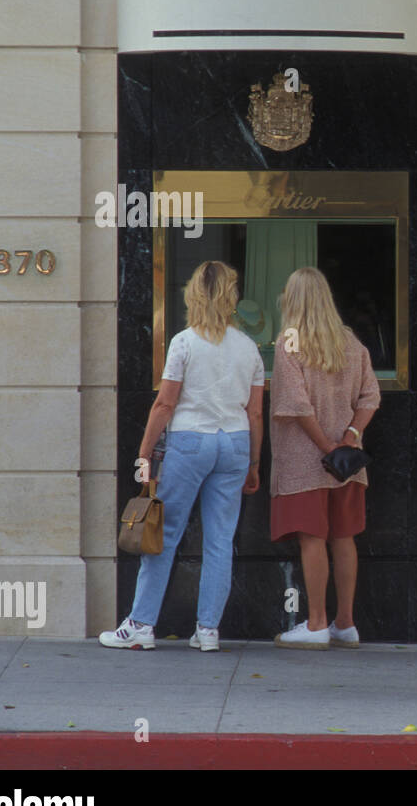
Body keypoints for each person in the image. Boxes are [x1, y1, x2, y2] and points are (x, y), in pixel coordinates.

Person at [101, 261, 264, 651]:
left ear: (193, 295)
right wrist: (255, 462)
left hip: (190, 441)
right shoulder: (250, 348)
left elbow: (165, 404)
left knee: (164, 534)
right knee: (221, 541)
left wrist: (144, 453)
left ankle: (141, 625)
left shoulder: (184, 342)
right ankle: (208, 631)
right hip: (236, 443)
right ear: (231, 297)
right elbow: (256, 412)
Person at [269, 267, 380, 649]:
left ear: (293, 299)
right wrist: (349, 437)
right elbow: (371, 397)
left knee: (312, 538)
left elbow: (296, 405)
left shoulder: (289, 343)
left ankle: (316, 623)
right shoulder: (350, 341)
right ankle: (345, 624)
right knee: (344, 537)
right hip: (348, 464)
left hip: (304, 460)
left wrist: (324, 445)